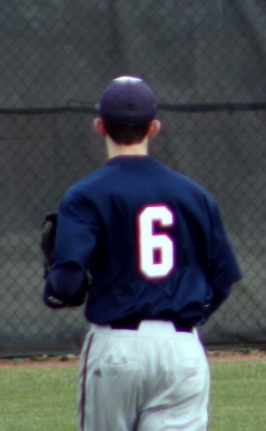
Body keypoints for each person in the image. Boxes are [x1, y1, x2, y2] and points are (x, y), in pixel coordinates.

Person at [42, 76, 243, 431]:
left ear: (99, 126)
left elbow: (67, 282)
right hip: (181, 349)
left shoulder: (86, 194)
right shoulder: (194, 195)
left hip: (117, 347)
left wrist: (54, 290)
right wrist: (186, 313)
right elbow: (223, 280)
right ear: (154, 128)